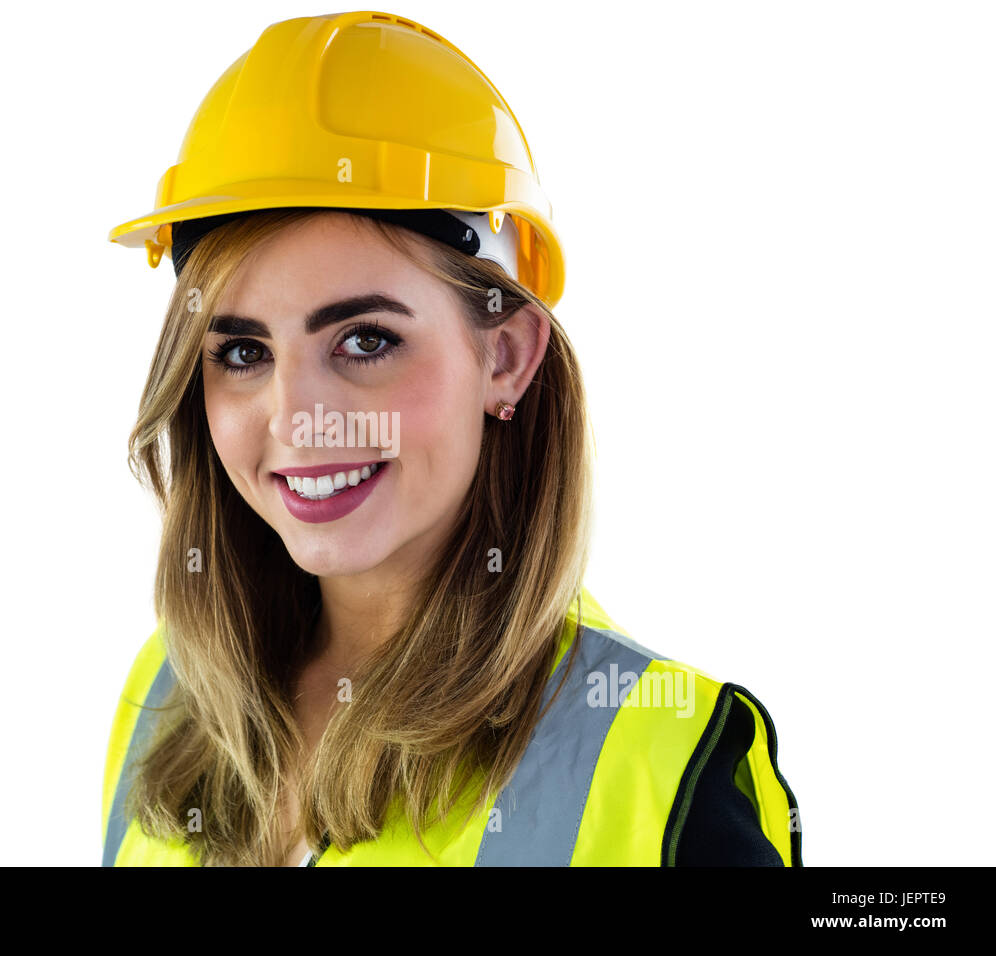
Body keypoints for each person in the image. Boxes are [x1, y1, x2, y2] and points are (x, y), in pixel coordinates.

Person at [100, 10, 801, 867]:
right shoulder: (167, 693)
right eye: (243, 352)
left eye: (365, 340)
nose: (295, 419)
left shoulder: (659, 767)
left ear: (504, 357)